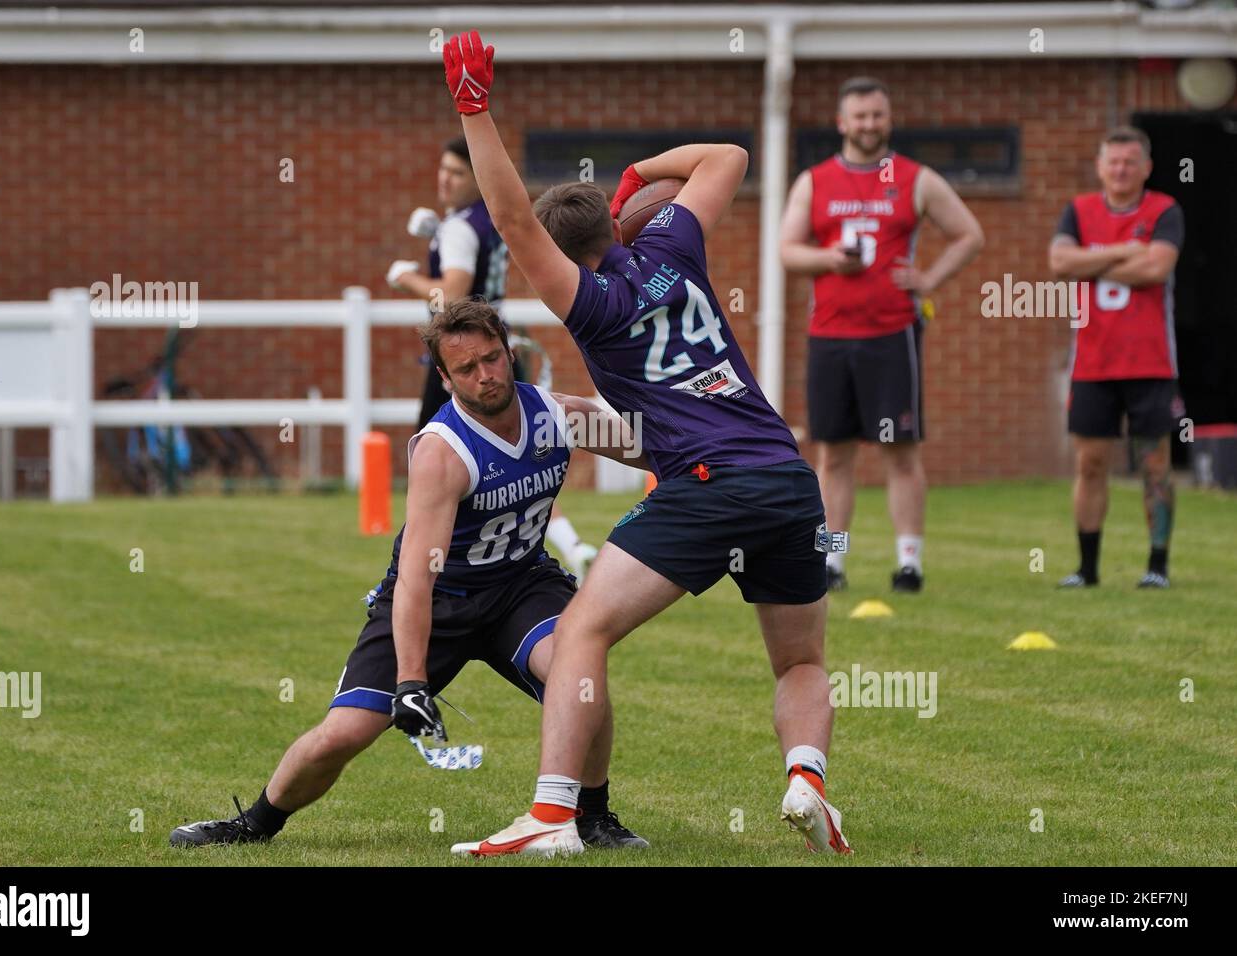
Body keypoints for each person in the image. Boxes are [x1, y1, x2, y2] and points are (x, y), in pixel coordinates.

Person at [440, 30, 850, 858]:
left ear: (565, 254)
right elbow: (726, 155)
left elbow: (512, 219)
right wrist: (642, 178)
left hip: (705, 482)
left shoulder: (588, 303)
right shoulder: (671, 247)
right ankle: (807, 778)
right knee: (799, 659)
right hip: (784, 475)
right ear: (625, 223)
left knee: (581, 634)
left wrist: (474, 110)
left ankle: (553, 816)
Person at [170, 298, 648, 850]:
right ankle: (252, 824)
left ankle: (593, 817)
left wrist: (719, 455)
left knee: (578, 669)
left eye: (493, 358)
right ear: (444, 379)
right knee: (343, 734)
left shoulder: (558, 413)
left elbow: (649, 448)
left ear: (509, 352)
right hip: (439, 599)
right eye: (467, 369)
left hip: (520, 584)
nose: (486, 376)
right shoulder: (442, 452)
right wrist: (412, 684)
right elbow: (420, 578)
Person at [780, 76, 984, 593]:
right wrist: (828, 259)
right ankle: (833, 561)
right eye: (860, 116)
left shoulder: (915, 178)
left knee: (901, 452)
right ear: (841, 123)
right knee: (834, 455)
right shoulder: (816, 180)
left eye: (877, 115)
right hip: (829, 335)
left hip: (892, 335)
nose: (869, 124)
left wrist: (930, 279)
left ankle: (908, 562)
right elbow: (786, 249)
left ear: (887, 120)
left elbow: (969, 234)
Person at [388, 137, 599, 578]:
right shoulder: (481, 223)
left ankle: (424, 567)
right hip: (496, 351)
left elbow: (451, 294)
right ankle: (571, 544)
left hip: (464, 361)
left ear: (478, 180)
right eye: (443, 169)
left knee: (435, 465)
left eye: (458, 173)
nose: (445, 179)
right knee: (524, 463)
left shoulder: (462, 227)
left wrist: (404, 275)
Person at [1049, 127, 1185, 589]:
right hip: (1092, 361)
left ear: (1146, 167)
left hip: (1150, 361)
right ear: (1100, 166)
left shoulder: (1164, 209)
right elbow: (1060, 264)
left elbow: (1157, 267)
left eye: (1131, 162)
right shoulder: (1080, 209)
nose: (1121, 170)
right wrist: (1126, 249)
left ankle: (1157, 566)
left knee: (1154, 464)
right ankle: (1087, 569)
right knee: (1090, 463)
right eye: (1114, 162)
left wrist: (1093, 259)